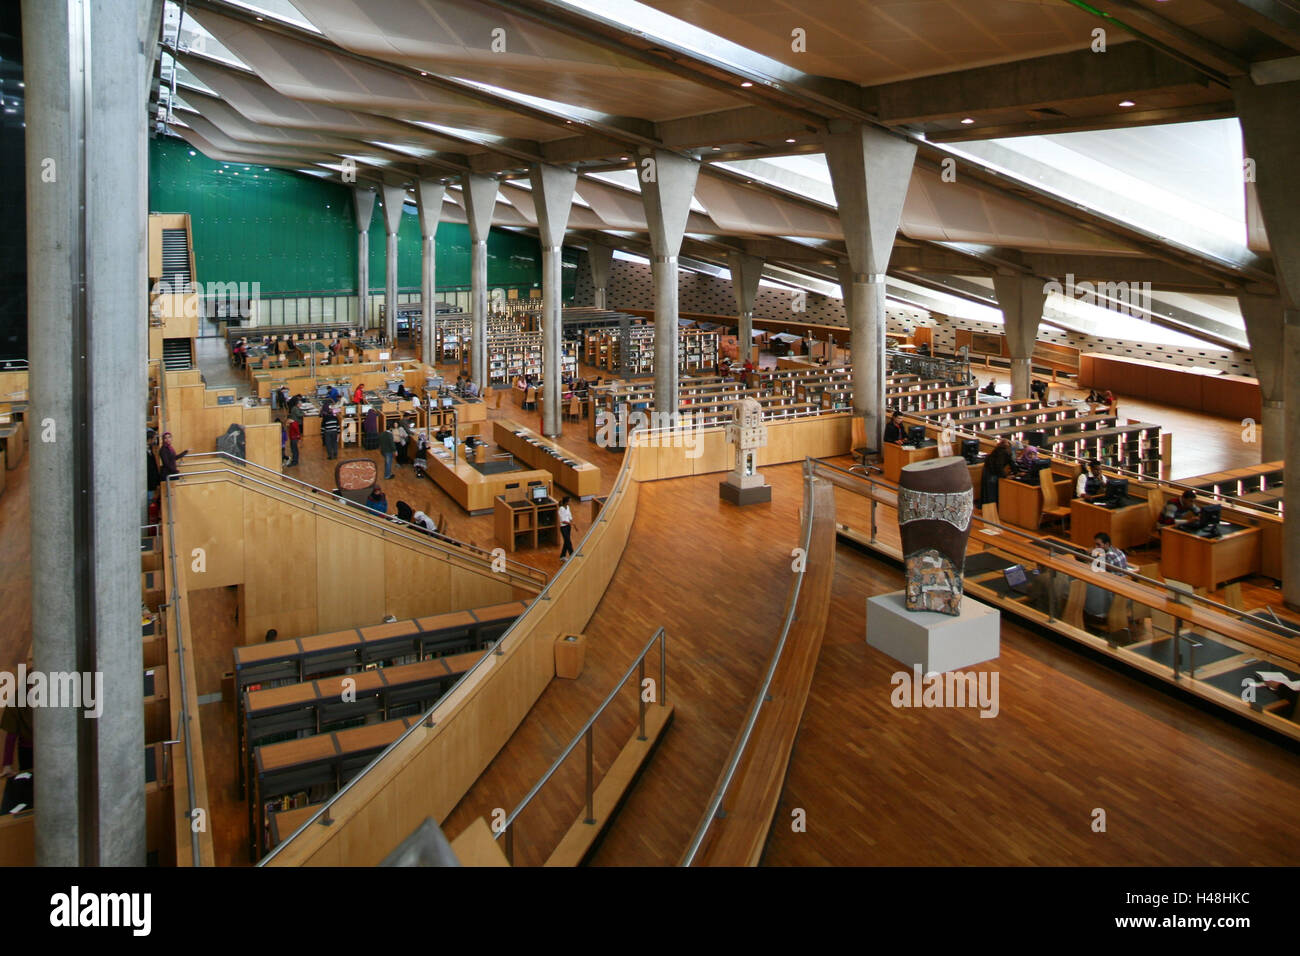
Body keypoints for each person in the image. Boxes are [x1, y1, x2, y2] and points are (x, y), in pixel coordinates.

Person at [1085, 532, 1130, 622]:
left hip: (1115, 592)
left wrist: (1089, 555)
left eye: (1098, 545)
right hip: (1124, 588)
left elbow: (1096, 569)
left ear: (1107, 544)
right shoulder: (1116, 550)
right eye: (1095, 544)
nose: (1096, 547)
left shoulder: (1109, 557)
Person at [982, 438, 1013, 504]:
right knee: (991, 490)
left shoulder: (1007, 452)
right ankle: (991, 507)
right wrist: (1005, 476)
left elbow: (1011, 462)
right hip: (990, 471)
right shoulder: (1002, 452)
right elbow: (998, 466)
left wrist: (1016, 472)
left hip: (992, 470)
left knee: (992, 490)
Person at [558, 495, 574, 559]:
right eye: (569, 501)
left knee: (566, 541)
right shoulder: (561, 509)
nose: (570, 502)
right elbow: (562, 520)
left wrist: (571, 521)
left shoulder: (568, 507)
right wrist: (570, 523)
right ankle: (572, 555)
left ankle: (562, 555)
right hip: (563, 527)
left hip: (568, 526)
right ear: (566, 502)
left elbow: (569, 515)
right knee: (568, 541)